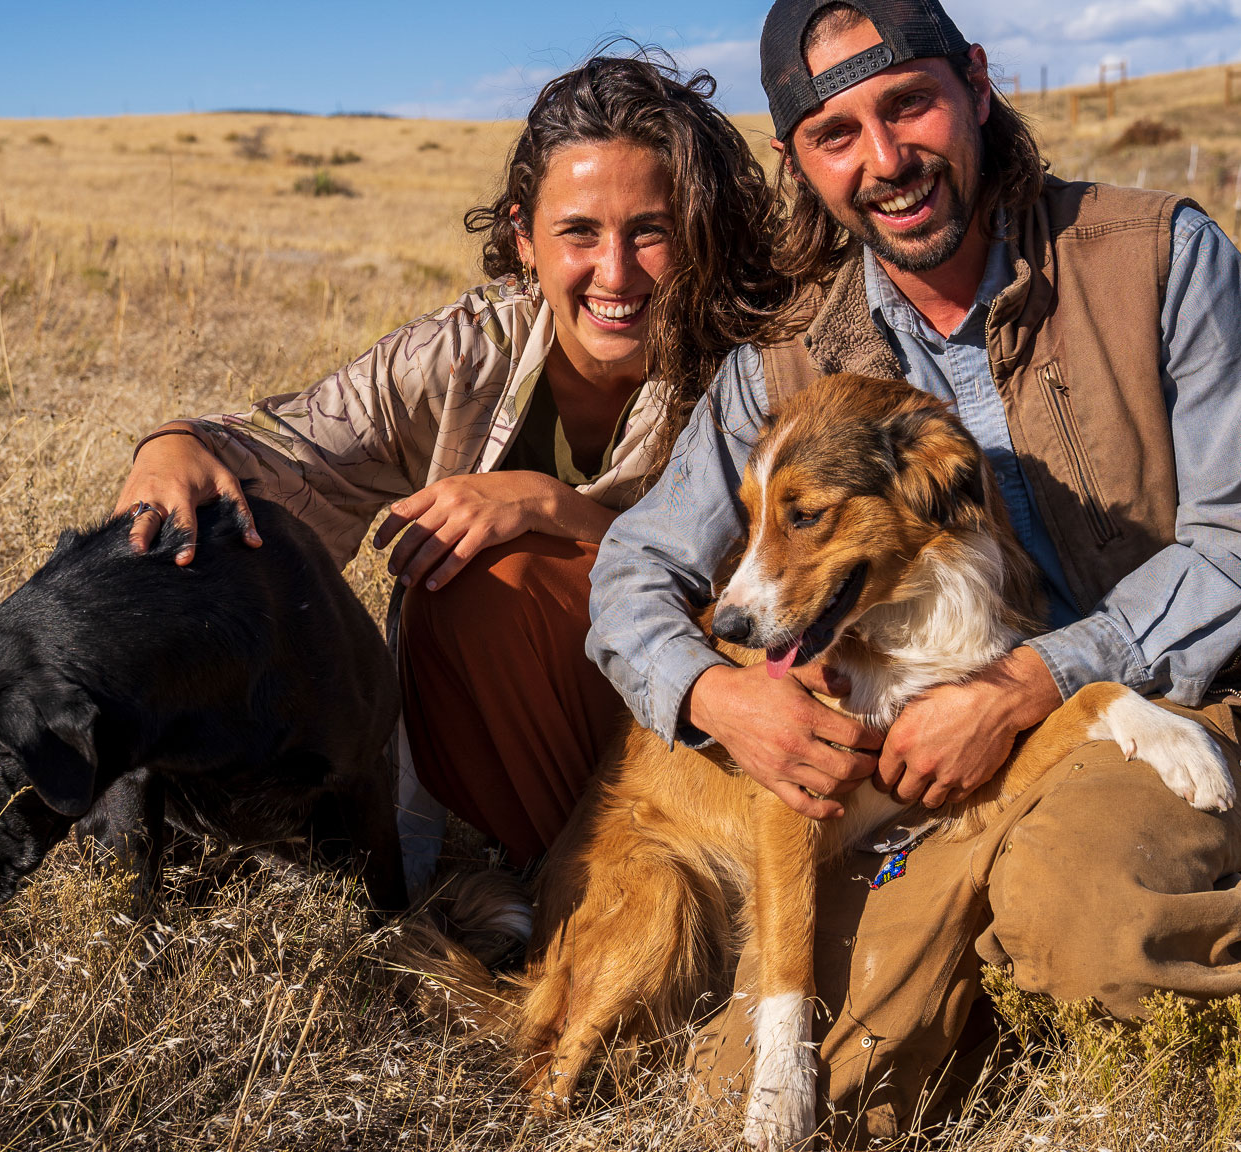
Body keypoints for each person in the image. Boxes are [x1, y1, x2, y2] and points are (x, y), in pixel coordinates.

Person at [587, 0, 1241, 1139]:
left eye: (908, 105)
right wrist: (713, 696)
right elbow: (632, 570)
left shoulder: (1158, 259)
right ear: (798, 159)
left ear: (977, 86)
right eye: (836, 134)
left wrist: (1026, 686)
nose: (885, 160)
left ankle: (1164, 966)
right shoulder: (782, 362)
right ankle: (984, 965)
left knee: (1089, 919)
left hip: (1141, 707)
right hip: (903, 766)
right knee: (772, 1098)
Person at [114, 54, 797, 885]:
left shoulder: (753, 368)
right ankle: (559, 876)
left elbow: (766, 590)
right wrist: (172, 445)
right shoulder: (467, 351)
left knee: (498, 574)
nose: (616, 273)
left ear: (699, 231)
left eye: (650, 231)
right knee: (406, 575)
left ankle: (626, 881)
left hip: (716, 726)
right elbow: (296, 454)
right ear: (524, 237)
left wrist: (554, 508)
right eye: (579, 232)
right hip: (542, 738)